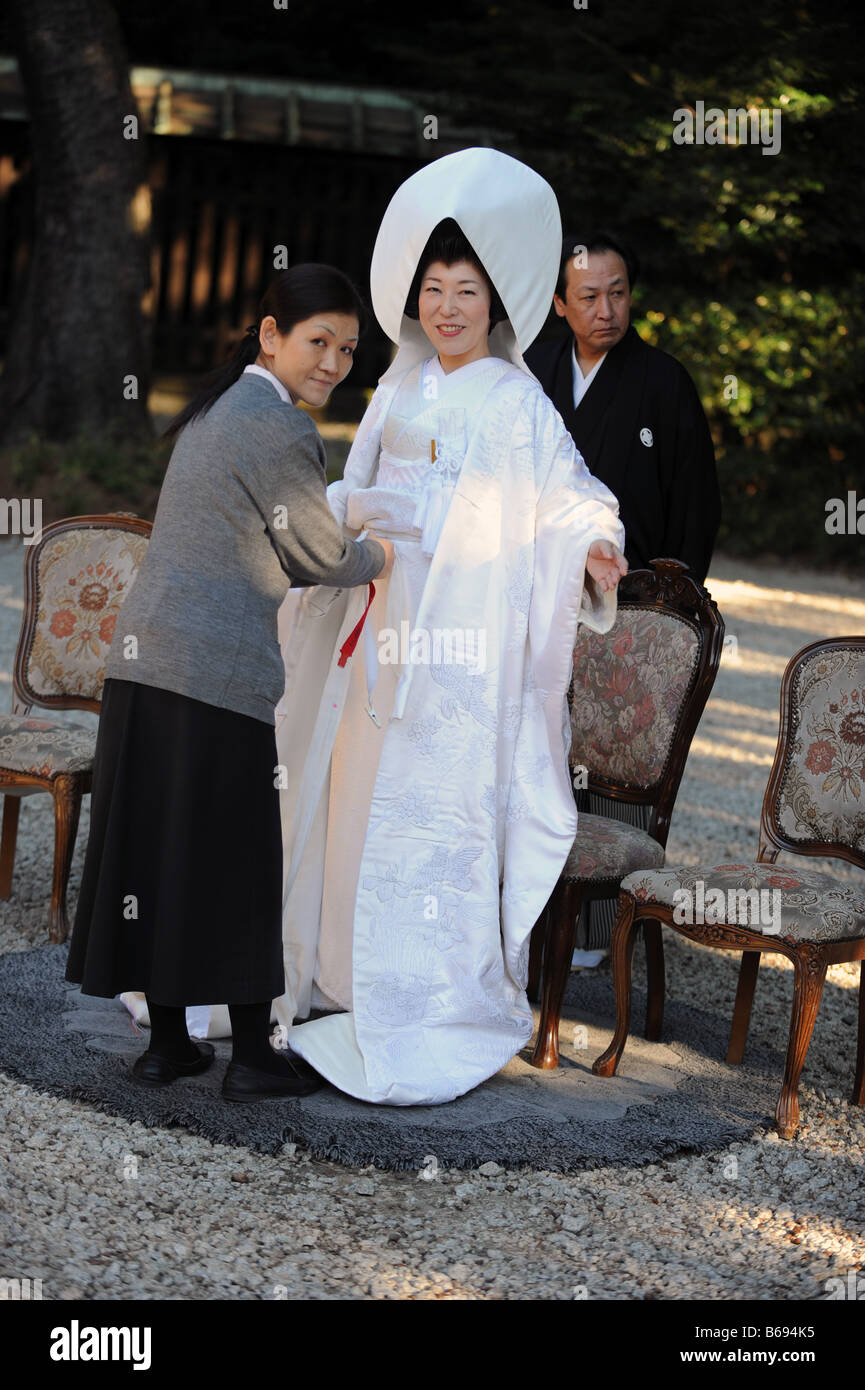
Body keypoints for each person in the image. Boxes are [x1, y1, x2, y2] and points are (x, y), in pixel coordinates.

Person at [272, 148, 627, 1106]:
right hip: (376, 612)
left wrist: (593, 543)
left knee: (428, 809)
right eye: (432, 289)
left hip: (458, 642)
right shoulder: (396, 385)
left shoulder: (516, 399)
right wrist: (334, 515)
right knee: (349, 787)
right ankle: (334, 976)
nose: (446, 308)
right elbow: (356, 485)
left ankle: (420, 991)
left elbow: (570, 495)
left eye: (464, 290)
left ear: (494, 301)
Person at [65, 265, 388, 1102]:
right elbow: (322, 556)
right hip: (211, 673)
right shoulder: (279, 429)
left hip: (145, 665)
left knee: (159, 852)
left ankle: (168, 1046)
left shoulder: (215, 410)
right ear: (270, 334)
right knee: (237, 859)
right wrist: (383, 551)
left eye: (348, 349)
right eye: (317, 341)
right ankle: (251, 1056)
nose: (333, 362)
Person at [524, 231, 720, 585]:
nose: (606, 312)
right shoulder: (532, 371)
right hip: (542, 580)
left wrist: (677, 595)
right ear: (559, 302)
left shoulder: (666, 380)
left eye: (617, 293)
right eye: (589, 297)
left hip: (635, 588)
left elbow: (696, 505)